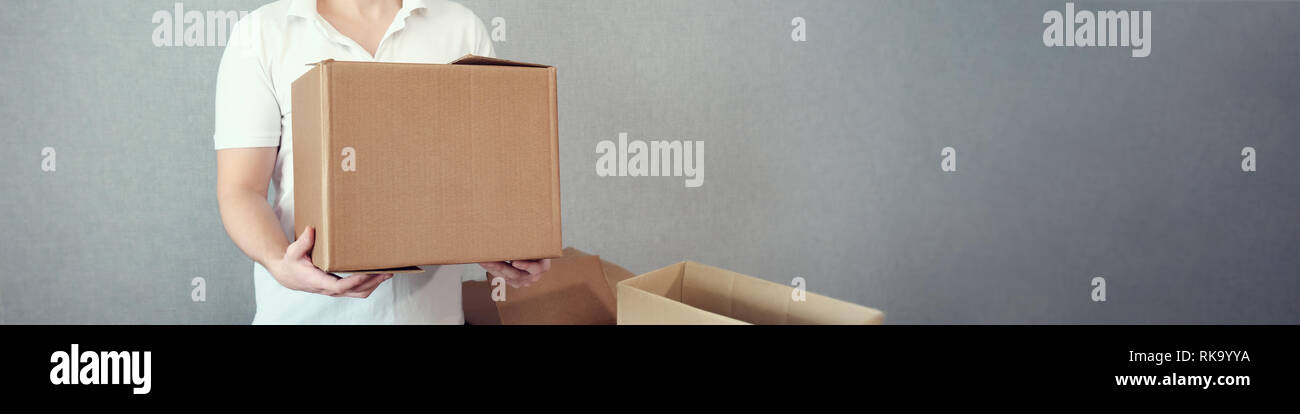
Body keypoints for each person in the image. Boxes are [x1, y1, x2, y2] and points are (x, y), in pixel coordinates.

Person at [214, 0, 549, 324]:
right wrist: (279, 263)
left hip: (429, 316)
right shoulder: (262, 33)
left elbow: (482, 175)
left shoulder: (459, 27)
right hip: (304, 314)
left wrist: (508, 244)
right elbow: (241, 190)